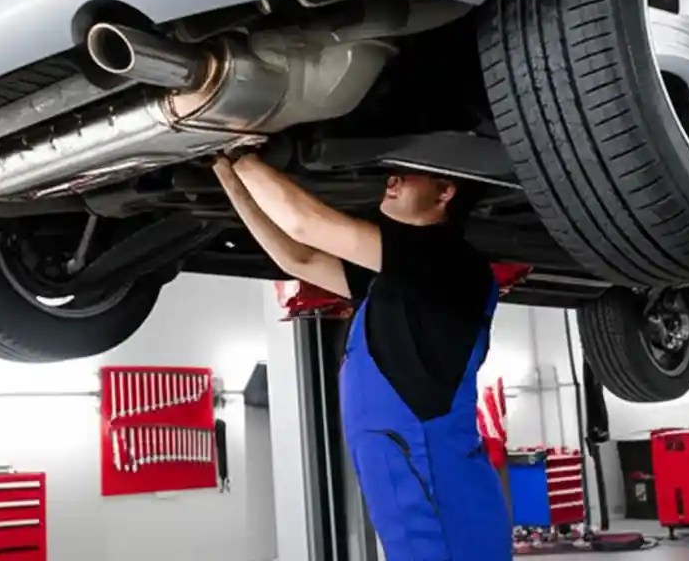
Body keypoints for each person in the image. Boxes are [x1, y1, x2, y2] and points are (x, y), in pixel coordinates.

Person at [213, 153, 511, 561]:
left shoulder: (449, 264)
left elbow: (305, 226)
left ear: (446, 192)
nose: (392, 178)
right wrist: (229, 177)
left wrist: (240, 152)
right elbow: (297, 258)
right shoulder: (404, 273)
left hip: (437, 485)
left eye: (409, 173)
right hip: (430, 479)